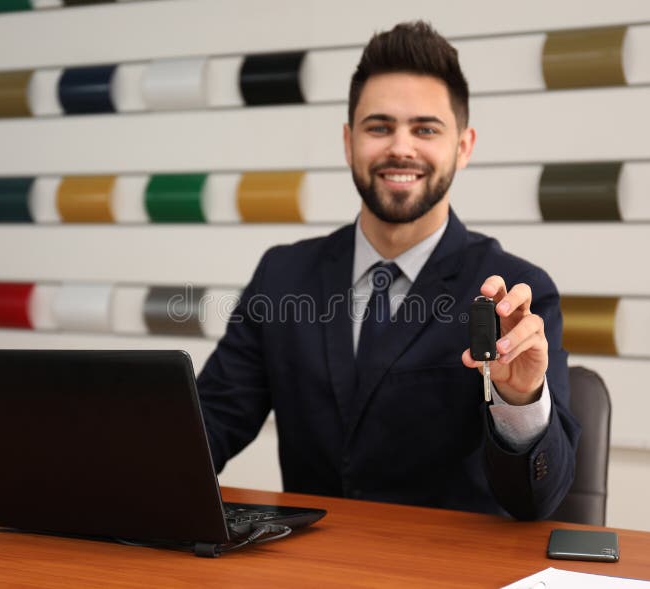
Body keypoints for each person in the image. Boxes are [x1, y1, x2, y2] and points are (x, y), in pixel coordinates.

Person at [197, 21, 580, 520]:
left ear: (463, 147)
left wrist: (520, 398)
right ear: (348, 141)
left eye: (425, 129)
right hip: (315, 567)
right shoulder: (283, 275)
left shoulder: (515, 296)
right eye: (379, 127)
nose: (401, 147)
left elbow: (539, 501)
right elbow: (208, 423)